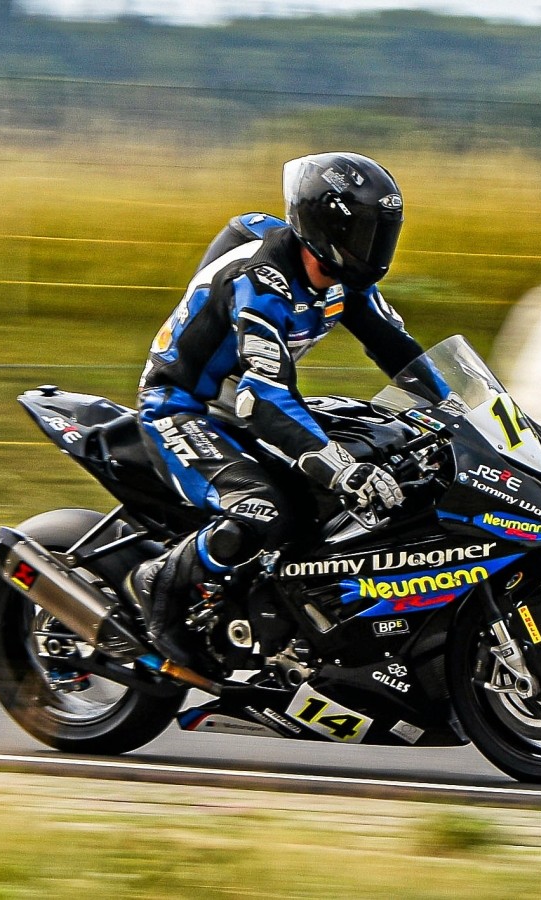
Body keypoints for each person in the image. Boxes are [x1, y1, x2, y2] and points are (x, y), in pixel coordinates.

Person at [127, 152, 423, 669]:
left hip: (244, 406)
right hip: (183, 407)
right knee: (262, 508)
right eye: (365, 231)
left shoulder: (343, 280)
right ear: (325, 226)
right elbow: (263, 397)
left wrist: (474, 408)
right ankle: (160, 583)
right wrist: (342, 470)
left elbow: (399, 351)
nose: (375, 245)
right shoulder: (263, 281)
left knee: (383, 448)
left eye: (383, 232)